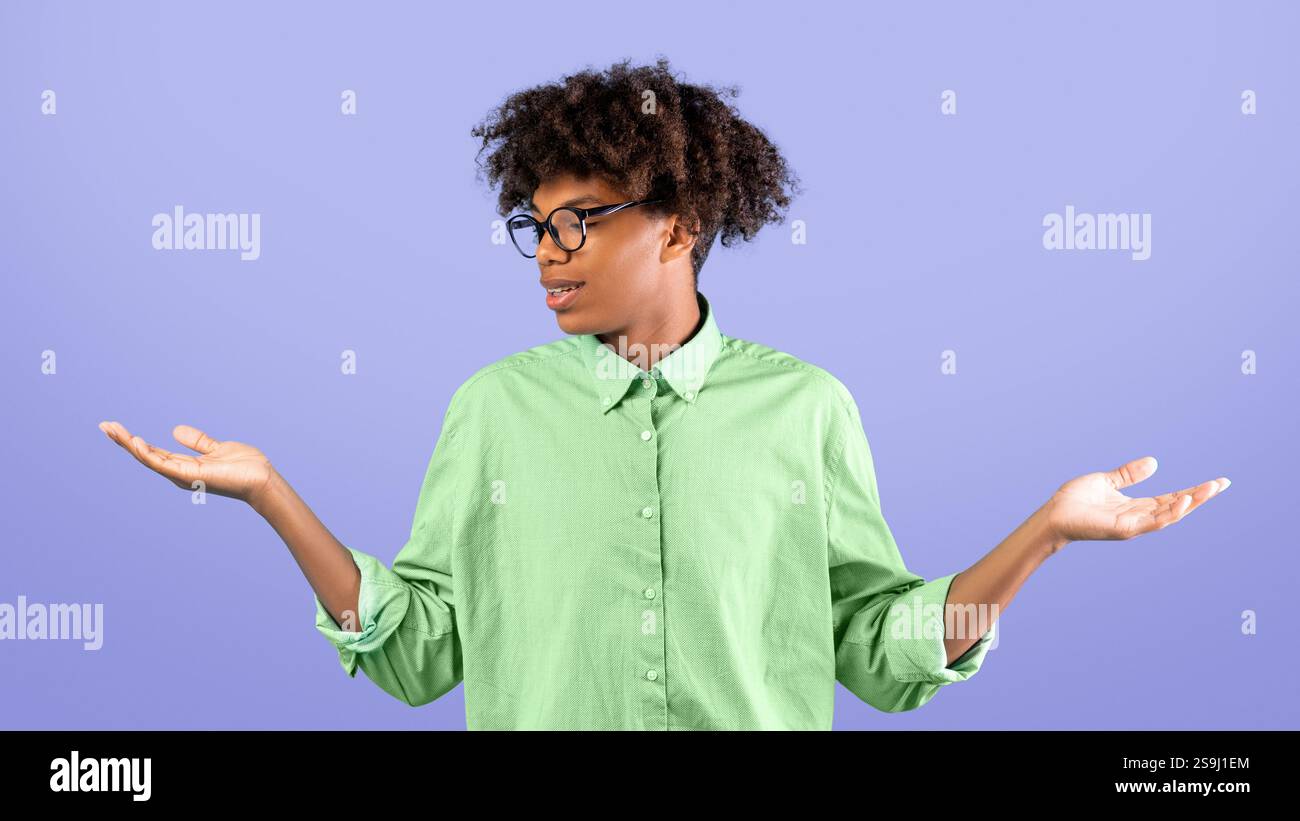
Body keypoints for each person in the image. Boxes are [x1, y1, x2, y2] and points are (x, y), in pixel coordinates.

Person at [98, 57, 1230, 730]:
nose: (549, 252)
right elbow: (421, 654)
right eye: (534, 229)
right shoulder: (490, 408)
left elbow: (882, 654)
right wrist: (271, 496)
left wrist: (1043, 535)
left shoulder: (806, 409)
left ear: (680, 224)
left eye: (579, 222)